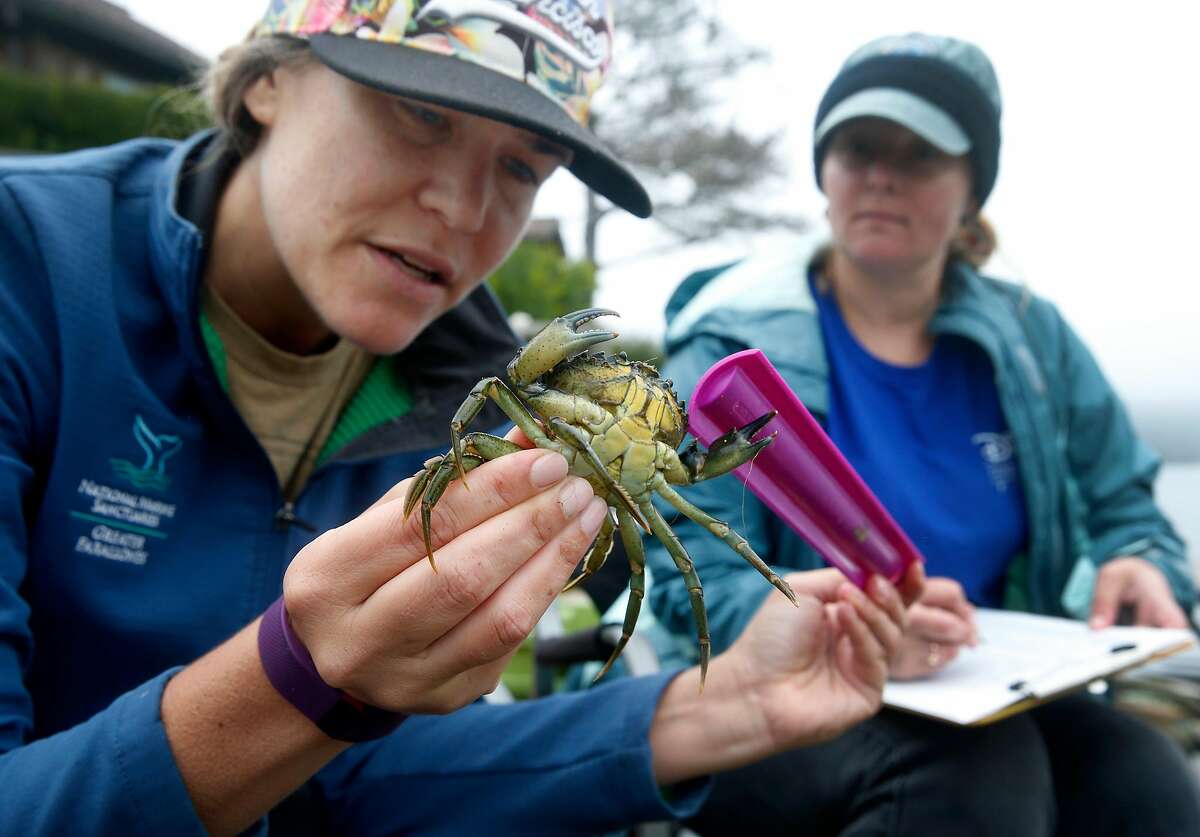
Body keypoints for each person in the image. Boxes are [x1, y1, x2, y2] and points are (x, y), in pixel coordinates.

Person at [0, 3, 925, 834]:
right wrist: (299, 679)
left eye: (522, 167)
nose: (462, 209)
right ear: (270, 77)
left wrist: (720, 706)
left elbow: (354, 774)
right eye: (422, 114)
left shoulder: (479, 395)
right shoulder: (29, 269)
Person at [646, 32, 1200, 837]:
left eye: (920, 154)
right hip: (770, 693)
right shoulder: (728, 358)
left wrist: (1142, 563)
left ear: (973, 186)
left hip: (985, 690)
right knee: (972, 778)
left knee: (1141, 774)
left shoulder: (1033, 340)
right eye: (858, 146)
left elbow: (1127, 507)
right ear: (824, 170)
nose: (880, 174)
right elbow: (690, 575)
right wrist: (847, 629)